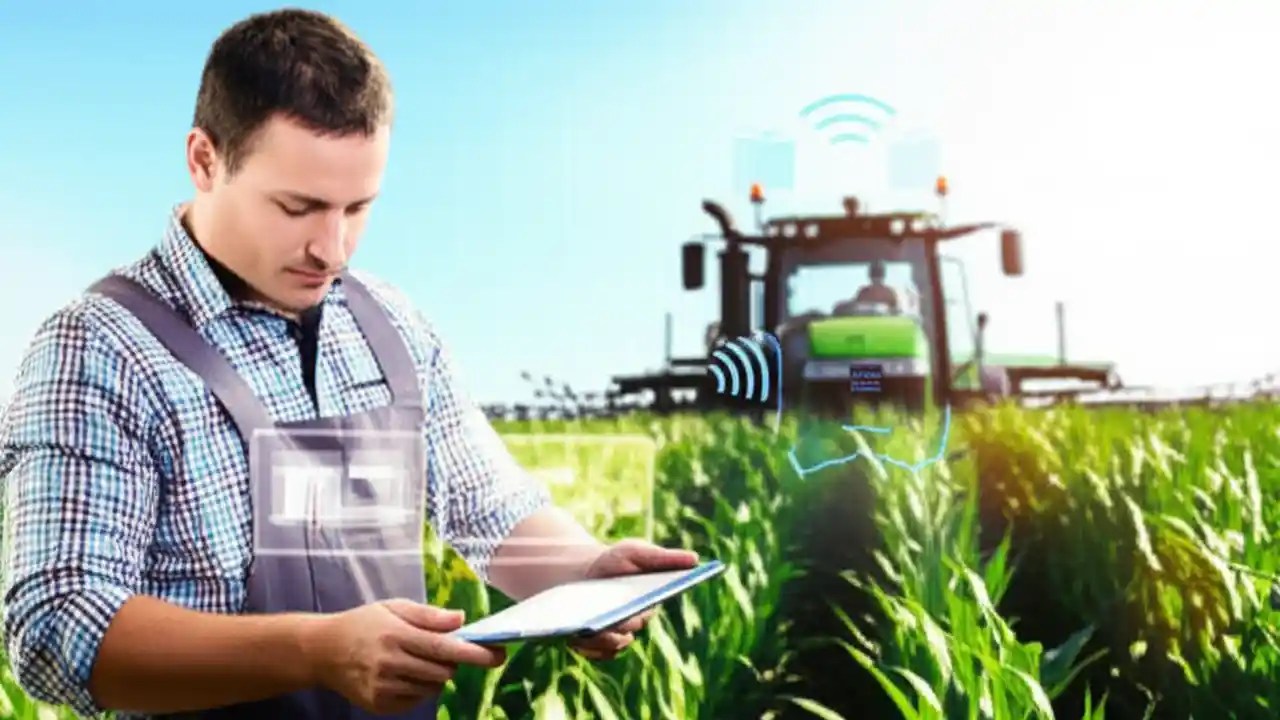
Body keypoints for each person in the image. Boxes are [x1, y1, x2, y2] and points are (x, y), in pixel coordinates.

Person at [0, 9, 697, 720]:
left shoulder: (388, 322)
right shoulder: (97, 348)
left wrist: (581, 572)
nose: (332, 250)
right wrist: (315, 652)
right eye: (297, 207)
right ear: (205, 160)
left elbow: (487, 509)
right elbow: (57, 627)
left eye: (357, 208)